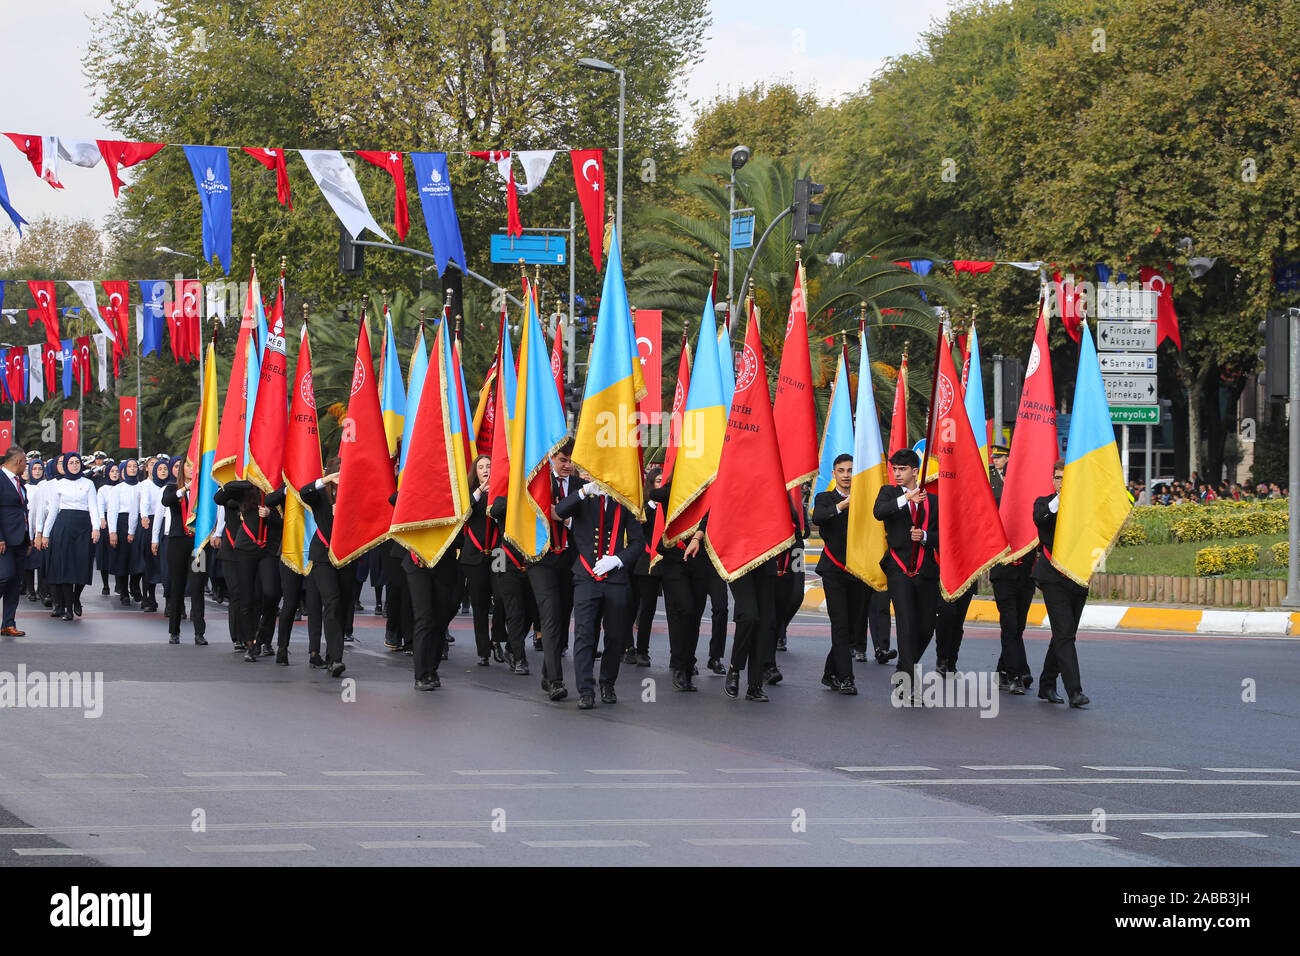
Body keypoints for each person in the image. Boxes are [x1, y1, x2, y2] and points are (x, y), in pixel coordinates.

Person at [554, 475, 644, 710]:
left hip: (615, 577)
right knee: (584, 635)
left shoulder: (623, 500)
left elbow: (637, 542)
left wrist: (618, 559)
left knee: (615, 636)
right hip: (586, 577)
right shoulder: (583, 497)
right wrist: (585, 491)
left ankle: (607, 683)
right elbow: (561, 511)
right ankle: (585, 690)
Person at [873, 448, 939, 702]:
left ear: (915, 471)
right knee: (906, 622)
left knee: (926, 626)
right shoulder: (889, 494)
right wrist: (906, 498)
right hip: (898, 569)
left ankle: (904, 666)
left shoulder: (932, 501)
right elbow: (879, 512)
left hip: (926, 570)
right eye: (895, 469)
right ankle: (908, 684)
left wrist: (924, 536)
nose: (898, 474)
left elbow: (943, 535)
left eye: (902, 469)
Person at [1032, 460, 1090, 708]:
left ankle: (1046, 684)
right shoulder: (1044, 503)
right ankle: (1074, 691)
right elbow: (1039, 519)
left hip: (1077, 576)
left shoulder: (1084, 506)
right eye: (1057, 478)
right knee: (1065, 634)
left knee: (1065, 633)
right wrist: (1061, 497)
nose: (1061, 482)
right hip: (1053, 576)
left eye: (1066, 478)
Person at [812, 454, 866, 695]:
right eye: (841, 470)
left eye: (850, 470)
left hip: (859, 570)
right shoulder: (825, 498)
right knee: (840, 625)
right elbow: (818, 517)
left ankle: (829, 673)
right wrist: (842, 505)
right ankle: (846, 677)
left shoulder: (866, 498)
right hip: (834, 570)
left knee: (853, 628)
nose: (846, 475)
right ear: (834, 474)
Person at [528, 440, 577, 700]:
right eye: (562, 460)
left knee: (561, 616)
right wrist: (552, 511)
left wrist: (568, 517)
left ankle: (548, 674)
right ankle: (557, 681)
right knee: (550, 613)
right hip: (542, 558)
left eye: (570, 460)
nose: (567, 465)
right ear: (551, 458)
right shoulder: (539, 484)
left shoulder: (580, 486)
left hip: (569, 558)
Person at [298, 460, 348, 678]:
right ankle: (336, 658)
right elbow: (303, 492)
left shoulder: (353, 492)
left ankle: (332, 655)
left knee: (343, 606)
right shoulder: (319, 494)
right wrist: (326, 480)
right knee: (332, 601)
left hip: (346, 556)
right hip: (323, 555)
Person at [39, 453, 99, 621]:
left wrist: (96, 528)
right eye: (71, 463)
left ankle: (76, 598)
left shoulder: (88, 483)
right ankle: (67, 608)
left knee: (81, 564)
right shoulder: (60, 485)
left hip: (83, 526)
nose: (74, 465)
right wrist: (45, 534)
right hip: (64, 525)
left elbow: (93, 507)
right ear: (66, 465)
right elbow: (53, 511)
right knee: (66, 566)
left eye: (77, 462)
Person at [459, 455, 506, 666]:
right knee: (479, 604)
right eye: (481, 467)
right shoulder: (470, 493)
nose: (486, 469)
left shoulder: (501, 492)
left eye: (489, 465)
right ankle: (483, 649)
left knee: (501, 596)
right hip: (474, 556)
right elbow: (463, 513)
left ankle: (497, 639)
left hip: (498, 553)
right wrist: (479, 492)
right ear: (475, 472)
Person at [158, 457, 209, 645]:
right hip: (178, 542)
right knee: (177, 586)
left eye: (191, 465)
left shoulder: (202, 490)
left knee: (197, 586)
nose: (189, 468)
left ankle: (199, 633)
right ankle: (174, 631)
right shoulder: (172, 488)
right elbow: (166, 501)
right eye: (185, 466)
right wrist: (185, 489)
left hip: (198, 545)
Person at [0, 445, 32, 636]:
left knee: (15, 582)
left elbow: (23, 512)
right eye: (26, 462)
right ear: (18, 461)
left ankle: (8, 623)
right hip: (4, 539)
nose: (26, 466)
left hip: (20, 539)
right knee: (5, 575)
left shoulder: (19, 482)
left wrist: (27, 540)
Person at [138, 458, 170, 612]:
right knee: (150, 562)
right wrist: (144, 516)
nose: (163, 471)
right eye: (160, 468)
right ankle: (148, 597)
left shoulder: (172, 486)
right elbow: (144, 502)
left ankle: (169, 598)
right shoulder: (146, 485)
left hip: (168, 523)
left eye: (165, 468)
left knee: (166, 563)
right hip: (150, 523)